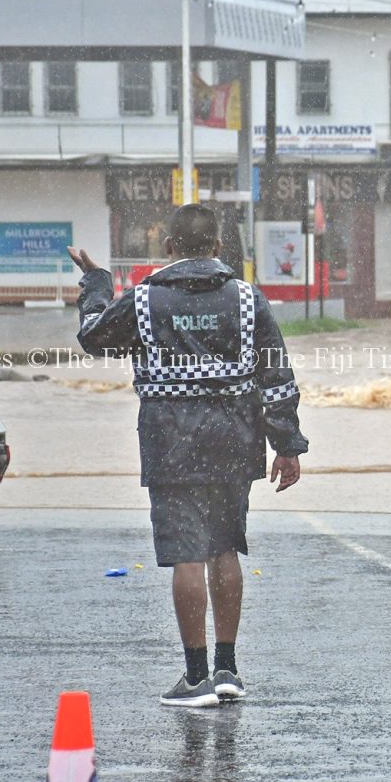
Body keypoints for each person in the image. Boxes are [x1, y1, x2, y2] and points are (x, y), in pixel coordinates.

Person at [69, 204, 308, 708]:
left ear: (169, 249)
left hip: (170, 440)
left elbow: (93, 336)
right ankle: (228, 670)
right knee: (225, 548)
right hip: (235, 438)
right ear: (219, 248)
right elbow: (277, 377)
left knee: (187, 555)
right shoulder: (247, 300)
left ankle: (195, 676)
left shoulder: (144, 300)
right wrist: (286, 445)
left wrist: (94, 282)